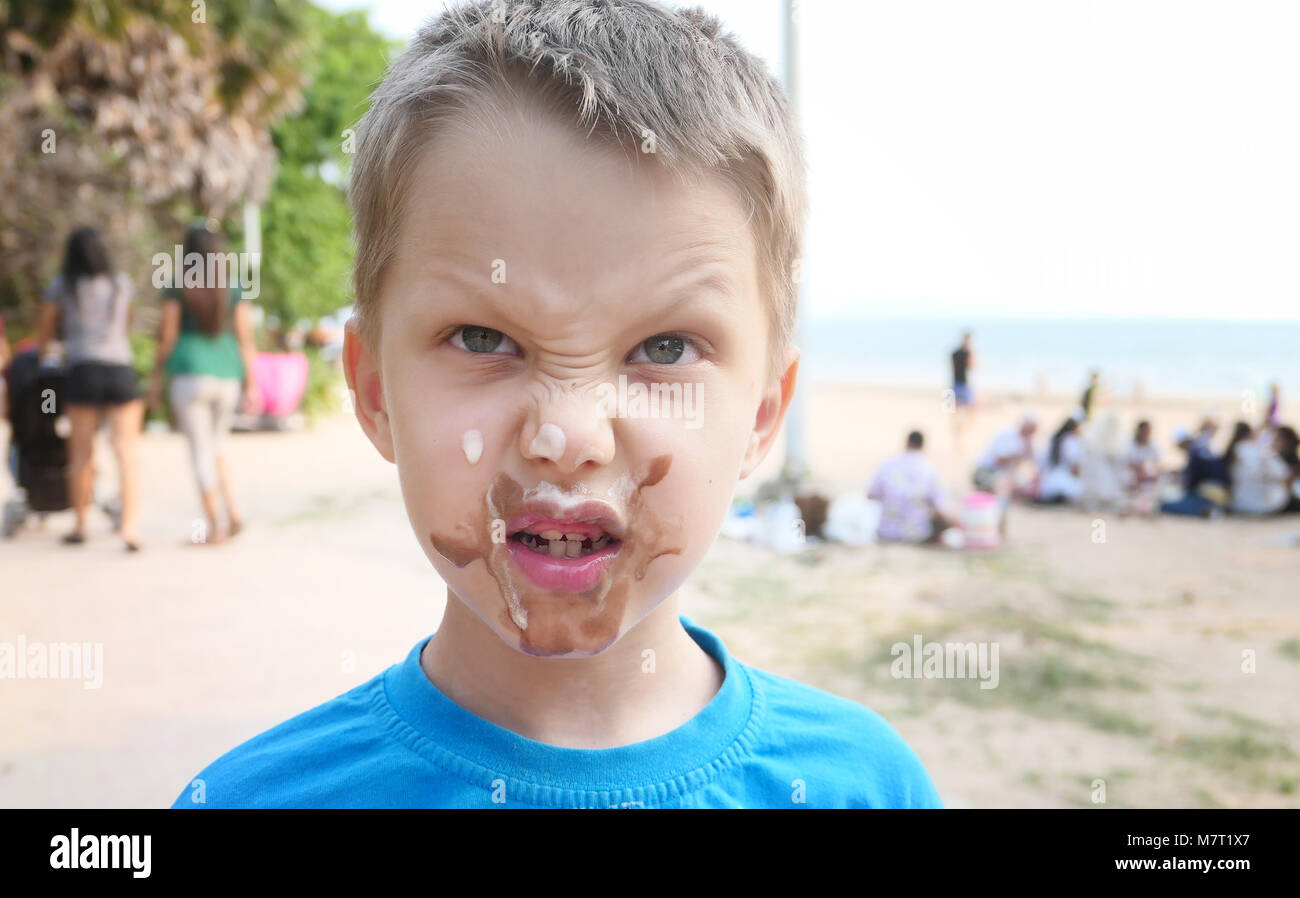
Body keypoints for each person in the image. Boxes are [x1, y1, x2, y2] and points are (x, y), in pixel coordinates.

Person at [171, 1, 941, 810]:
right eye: (481, 338)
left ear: (759, 414)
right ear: (373, 391)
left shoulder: (869, 788)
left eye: (666, 348)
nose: (568, 436)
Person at [147, 223, 261, 544]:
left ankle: (215, 529)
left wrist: (155, 378)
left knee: (200, 451)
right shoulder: (234, 285)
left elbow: (167, 337)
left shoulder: (177, 284)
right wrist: (252, 383)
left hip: (189, 372)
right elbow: (246, 337)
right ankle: (234, 512)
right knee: (218, 446)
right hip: (227, 373)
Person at [35, 227, 143, 551]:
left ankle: (81, 524)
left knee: (81, 453)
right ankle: (130, 527)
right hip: (120, 370)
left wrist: (46, 356)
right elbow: (126, 326)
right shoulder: (121, 283)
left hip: (83, 371)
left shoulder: (63, 285)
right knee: (126, 451)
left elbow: (45, 332)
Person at [868, 431, 952, 543]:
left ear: (906, 443)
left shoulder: (887, 465)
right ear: (923, 446)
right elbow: (940, 508)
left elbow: (870, 495)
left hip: (886, 532)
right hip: (917, 534)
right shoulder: (929, 469)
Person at [972, 413, 1039, 499]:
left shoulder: (1027, 442)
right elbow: (999, 459)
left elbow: (1032, 464)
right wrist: (1020, 453)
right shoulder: (1006, 434)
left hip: (1006, 475)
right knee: (1002, 483)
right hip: (986, 471)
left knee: (1025, 486)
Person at [1228, 422, 1289, 515]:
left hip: (1240, 502)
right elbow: (1282, 476)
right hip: (1264, 504)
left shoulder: (1237, 450)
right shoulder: (1257, 450)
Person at [1037, 417, 1084, 504]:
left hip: (1049, 478)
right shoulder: (1070, 440)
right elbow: (1073, 462)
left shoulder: (1054, 438)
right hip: (1063, 477)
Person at [1122, 420, 1160, 515]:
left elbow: (1155, 465)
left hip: (1146, 477)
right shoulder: (1128, 444)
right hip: (1132, 476)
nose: (1145, 434)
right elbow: (1127, 463)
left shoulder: (1153, 446)